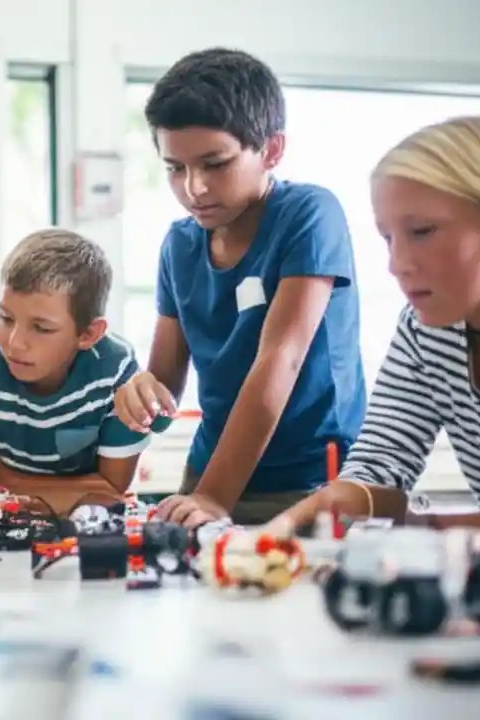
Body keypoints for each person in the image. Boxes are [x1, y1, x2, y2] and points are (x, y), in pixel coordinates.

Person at [271, 115, 480, 558]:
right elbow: (381, 459)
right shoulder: (424, 326)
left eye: (422, 232)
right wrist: (336, 502)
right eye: (388, 238)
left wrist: (422, 528)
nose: (397, 264)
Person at [113, 48, 365, 527]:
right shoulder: (179, 245)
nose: (195, 188)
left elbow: (281, 359)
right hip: (210, 475)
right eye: (175, 168)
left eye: (215, 164)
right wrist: (142, 392)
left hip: (310, 484)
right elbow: (165, 382)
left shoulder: (309, 215)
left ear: (270, 150)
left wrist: (213, 497)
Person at [0, 229, 148, 514]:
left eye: (41, 328)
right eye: (6, 318)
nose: (14, 342)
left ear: (88, 334)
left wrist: (11, 482)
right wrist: (76, 492)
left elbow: (110, 494)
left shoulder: (115, 369)